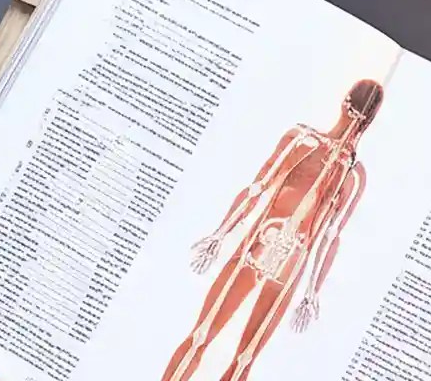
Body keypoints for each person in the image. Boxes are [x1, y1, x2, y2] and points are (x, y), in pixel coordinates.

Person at [162, 79, 385, 381]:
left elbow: (259, 189)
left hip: (267, 248)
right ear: (372, 119)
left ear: (345, 100)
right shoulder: (347, 170)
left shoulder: (310, 144)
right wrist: (312, 290)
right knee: (235, 356)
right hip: (283, 260)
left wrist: (221, 234)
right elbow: (329, 235)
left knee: (211, 342)